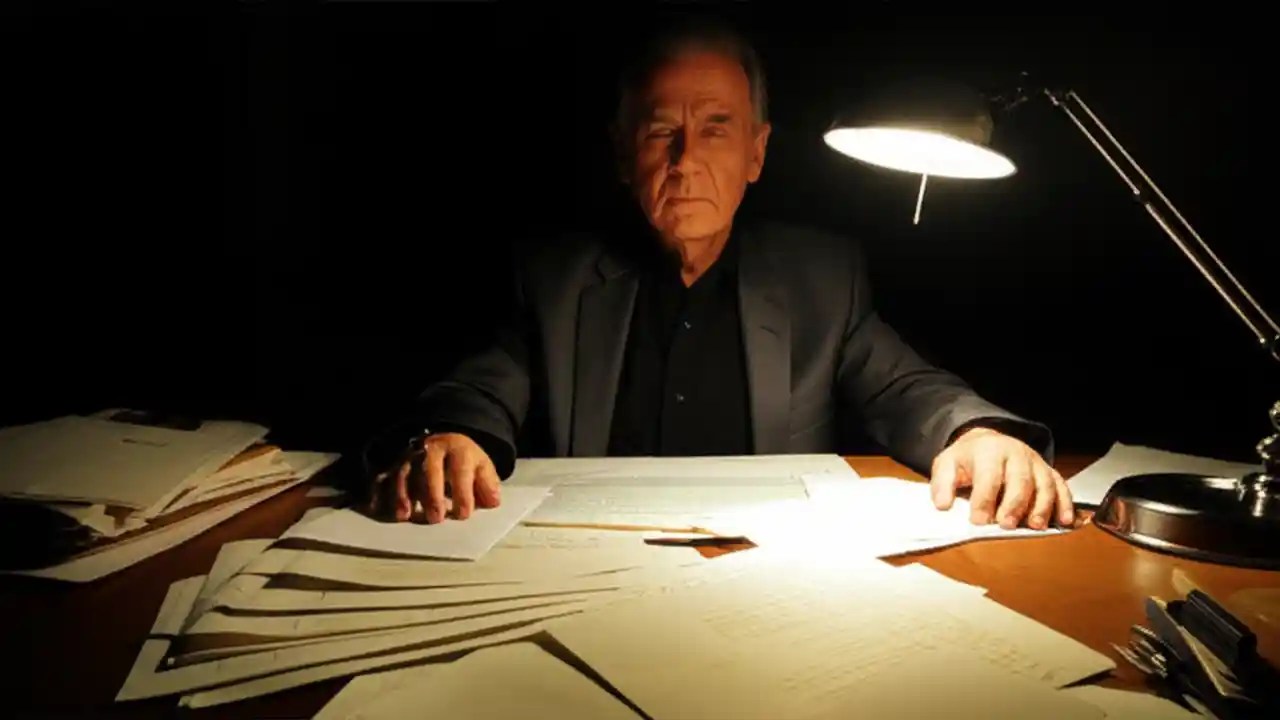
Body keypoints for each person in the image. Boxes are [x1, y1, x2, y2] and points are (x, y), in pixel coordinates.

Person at [363, 18, 1074, 531]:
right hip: (587, 561)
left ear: (757, 154)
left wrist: (976, 433)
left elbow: (905, 386)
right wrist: (451, 436)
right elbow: (482, 387)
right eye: (658, 130)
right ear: (622, 154)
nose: (684, 161)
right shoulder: (557, 276)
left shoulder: (820, 277)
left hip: (765, 574)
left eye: (715, 128)